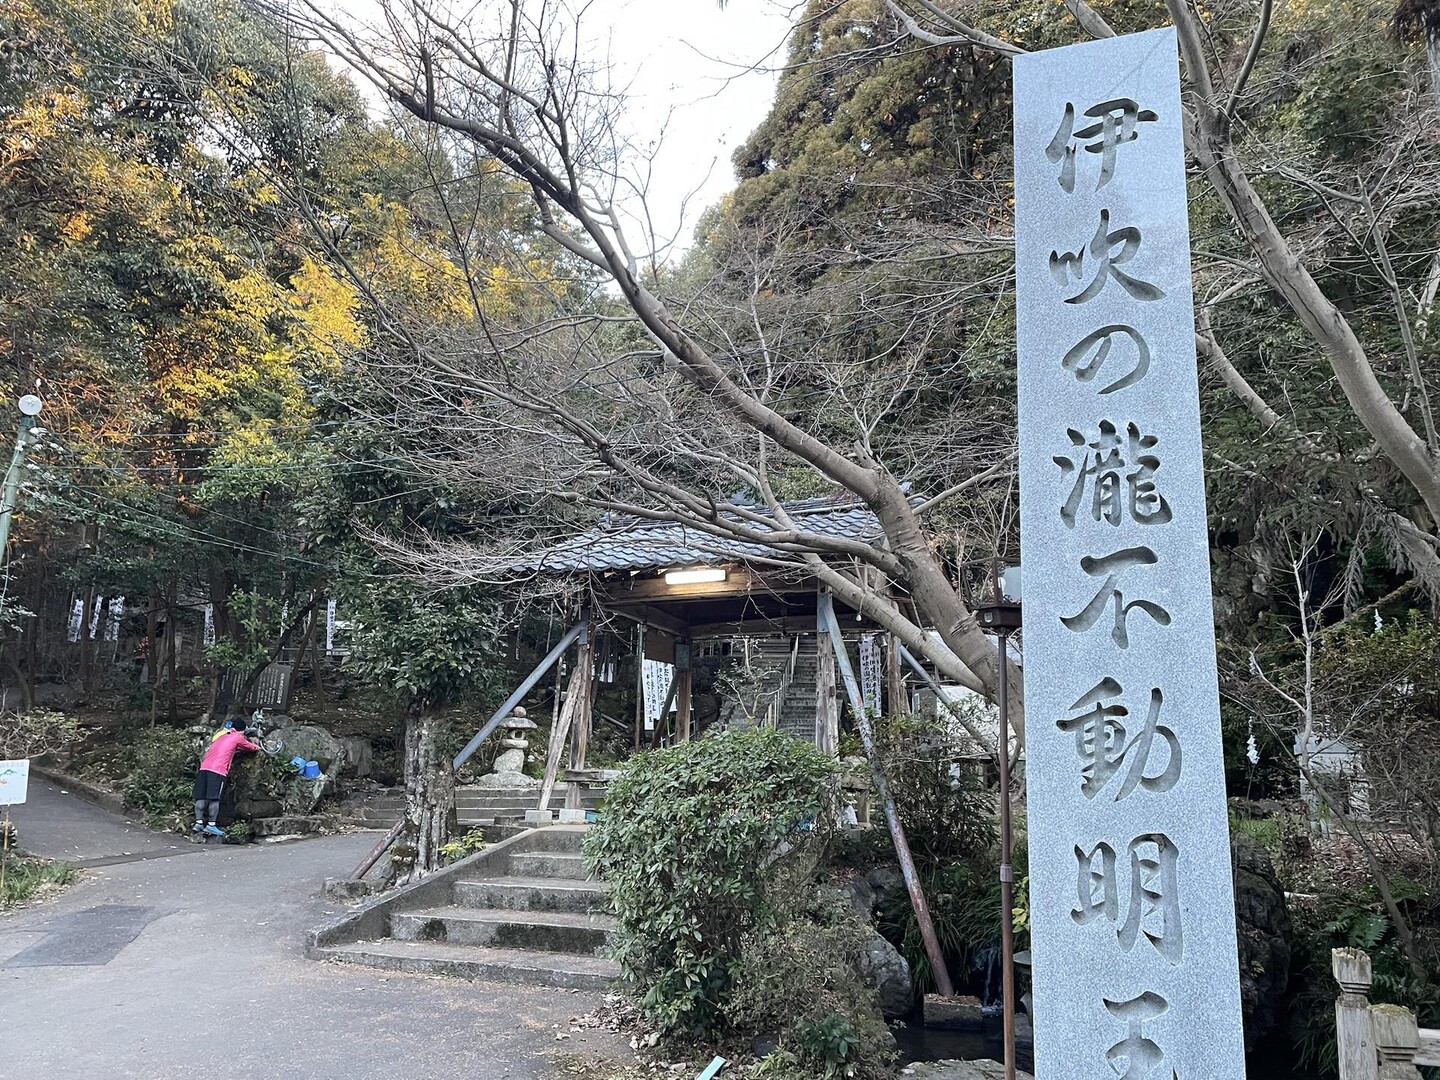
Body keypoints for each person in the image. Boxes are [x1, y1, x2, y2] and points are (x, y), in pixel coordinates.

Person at [193, 718, 259, 837]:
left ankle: (198, 823)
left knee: (201, 797)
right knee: (214, 798)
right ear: (242, 731)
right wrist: (257, 746)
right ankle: (211, 825)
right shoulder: (238, 737)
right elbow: (251, 747)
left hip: (204, 768)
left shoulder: (221, 736)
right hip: (217, 770)